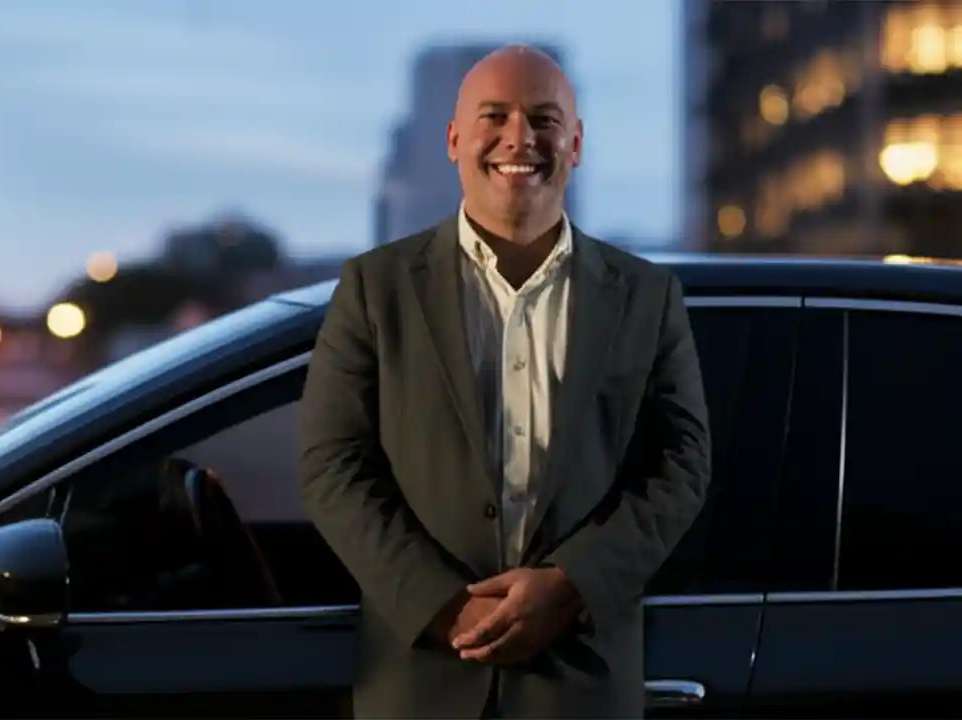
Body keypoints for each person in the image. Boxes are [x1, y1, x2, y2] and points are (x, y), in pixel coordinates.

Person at [298, 45, 711, 718]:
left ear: (574, 144)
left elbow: (682, 466)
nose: (520, 137)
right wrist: (440, 607)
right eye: (495, 116)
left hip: (580, 683)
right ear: (455, 139)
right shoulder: (375, 289)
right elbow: (331, 465)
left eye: (544, 119)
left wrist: (572, 584)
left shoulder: (647, 296)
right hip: (420, 682)